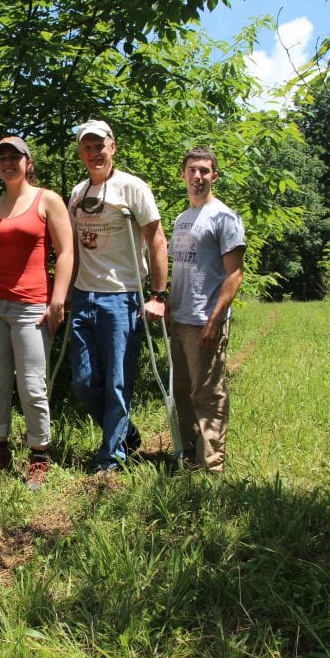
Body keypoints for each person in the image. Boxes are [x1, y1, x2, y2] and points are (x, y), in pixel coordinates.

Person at [0, 137, 74, 490]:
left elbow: (66, 252)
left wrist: (57, 299)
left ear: (28, 162)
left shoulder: (48, 200)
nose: (8, 162)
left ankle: (39, 455)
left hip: (33, 306)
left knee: (32, 385)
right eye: (2, 157)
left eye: (15, 156)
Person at [68, 119, 169, 473]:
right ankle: (124, 432)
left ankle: (110, 458)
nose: (94, 152)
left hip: (123, 296)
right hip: (84, 296)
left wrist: (158, 295)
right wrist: (67, 292)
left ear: (113, 146)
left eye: (99, 145)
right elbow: (74, 247)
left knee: (116, 380)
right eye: (87, 147)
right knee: (82, 381)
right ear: (81, 152)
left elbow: (157, 240)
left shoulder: (133, 188)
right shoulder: (78, 193)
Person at [168, 147, 245, 473]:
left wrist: (215, 320)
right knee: (181, 393)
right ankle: (189, 455)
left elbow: (235, 274)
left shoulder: (224, 217)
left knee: (209, 395)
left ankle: (212, 466)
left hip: (205, 322)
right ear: (183, 174)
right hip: (180, 319)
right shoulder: (181, 219)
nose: (197, 176)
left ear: (214, 175)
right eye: (192, 170)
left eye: (204, 171)